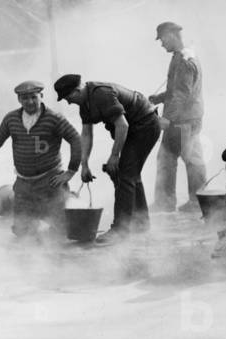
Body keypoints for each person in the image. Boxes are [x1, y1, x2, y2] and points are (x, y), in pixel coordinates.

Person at [0, 80, 81, 239]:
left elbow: (76, 139)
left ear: (41, 96)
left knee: (60, 231)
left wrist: (71, 171)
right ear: (19, 99)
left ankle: (67, 199)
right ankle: (21, 205)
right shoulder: (11, 119)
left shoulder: (54, 118)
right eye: (25, 98)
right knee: (23, 232)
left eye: (33, 97)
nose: (29, 101)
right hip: (24, 183)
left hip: (50, 182)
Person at [54, 74, 161, 244]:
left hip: (145, 125)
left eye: (69, 98)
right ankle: (141, 223)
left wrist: (114, 155)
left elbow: (122, 125)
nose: (68, 102)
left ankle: (120, 231)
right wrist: (84, 164)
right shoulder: (85, 104)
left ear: (77, 90)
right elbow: (87, 134)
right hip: (133, 130)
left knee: (124, 174)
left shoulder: (101, 94)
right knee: (131, 174)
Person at [149, 21, 207, 212]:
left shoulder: (184, 60)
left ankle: (193, 202)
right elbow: (176, 90)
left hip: (183, 120)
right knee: (174, 158)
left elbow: (182, 94)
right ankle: (174, 202)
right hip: (183, 118)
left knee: (184, 159)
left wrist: (167, 118)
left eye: (162, 39)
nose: (162, 44)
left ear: (170, 35)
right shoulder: (182, 56)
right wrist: (158, 98)